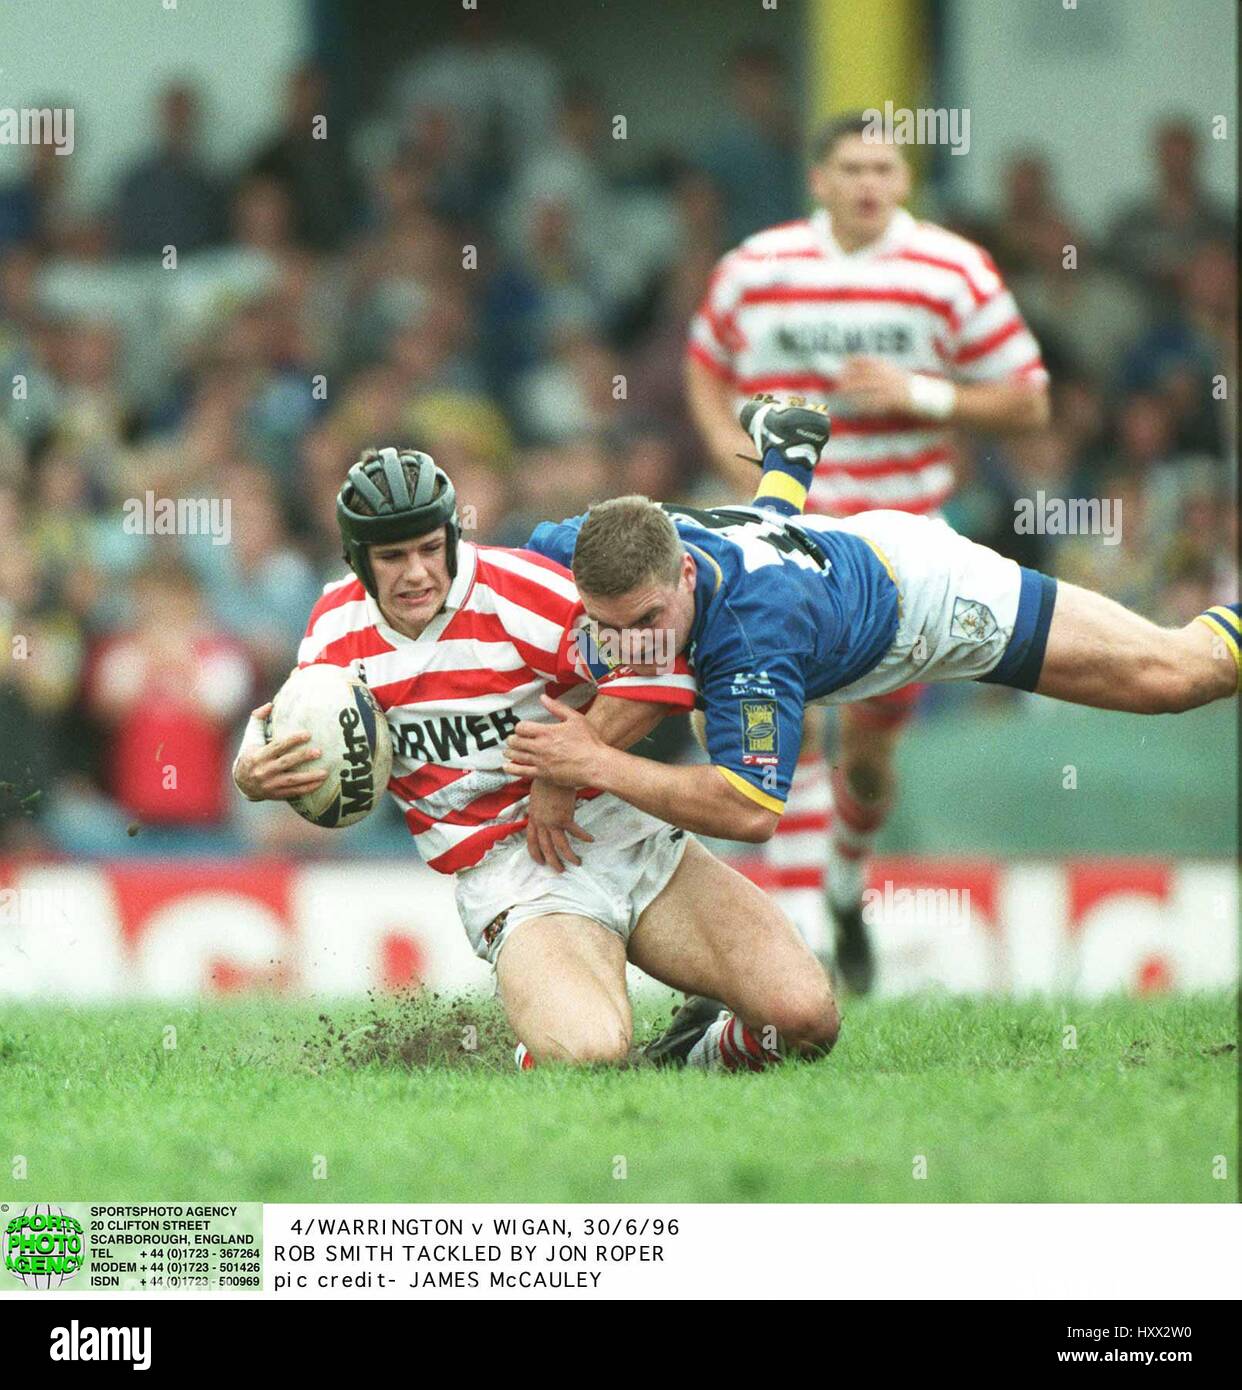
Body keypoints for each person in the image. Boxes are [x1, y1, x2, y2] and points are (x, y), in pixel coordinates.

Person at [505, 398, 1239, 1042]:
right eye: (612, 623)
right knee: (692, 673)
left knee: (1182, 674)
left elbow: (751, 808)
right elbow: (522, 594)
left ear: (685, 573)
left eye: (644, 619)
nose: (631, 642)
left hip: (936, 602)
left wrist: (587, 764)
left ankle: (787, 458)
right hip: (825, 558)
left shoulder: (754, 639)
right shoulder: (590, 545)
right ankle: (787, 454)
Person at [232, 446, 838, 1071]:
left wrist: (562, 773)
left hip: (628, 834)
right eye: (392, 556)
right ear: (358, 560)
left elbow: (656, 659)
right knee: (589, 1054)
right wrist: (252, 770)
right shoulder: (334, 629)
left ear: (451, 537)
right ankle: (558, 1038)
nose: (416, 572)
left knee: (804, 1022)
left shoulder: (519, 590)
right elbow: (297, 725)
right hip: (516, 878)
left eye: (428, 547)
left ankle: (684, 1061)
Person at [684, 110, 1051, 992]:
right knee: (792, 722)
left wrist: (922, 393)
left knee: (870, 757)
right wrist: (726, 454)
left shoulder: (951, 270)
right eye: (851, 167)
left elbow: (1030, 401)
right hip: (788, 532)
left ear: (905, 179)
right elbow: (705, 362)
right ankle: (803, 937)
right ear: (819, 179)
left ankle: (844, 883)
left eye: (885, 168)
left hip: (902, 546)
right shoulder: (757, 268)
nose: (868, 184)